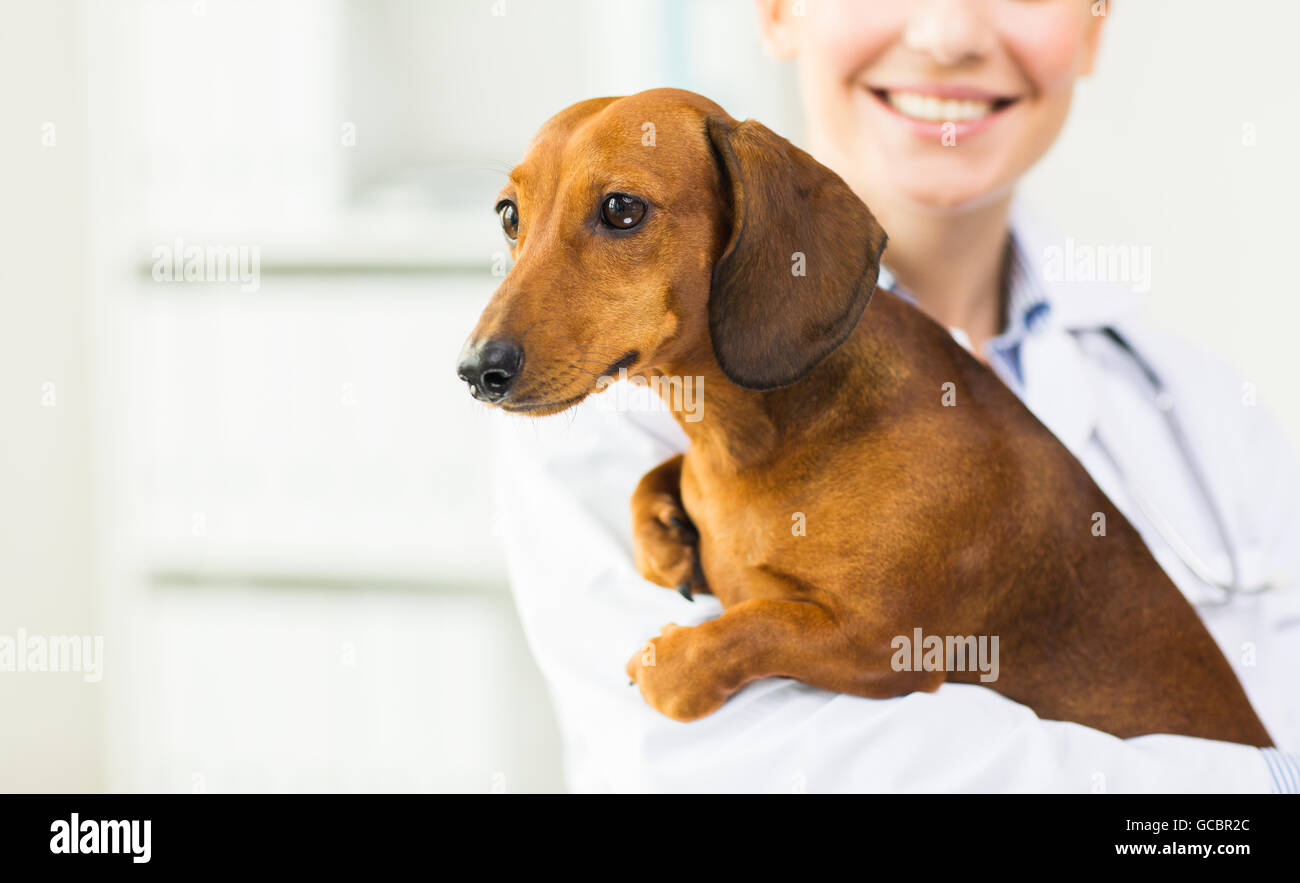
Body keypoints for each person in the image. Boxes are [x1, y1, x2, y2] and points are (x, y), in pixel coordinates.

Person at [490, 0, 1300, 791]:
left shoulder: (1204, 407)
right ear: (776, 10)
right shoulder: (595, 384)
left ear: (1093, 21)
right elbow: (776, 764)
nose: (947, 33)